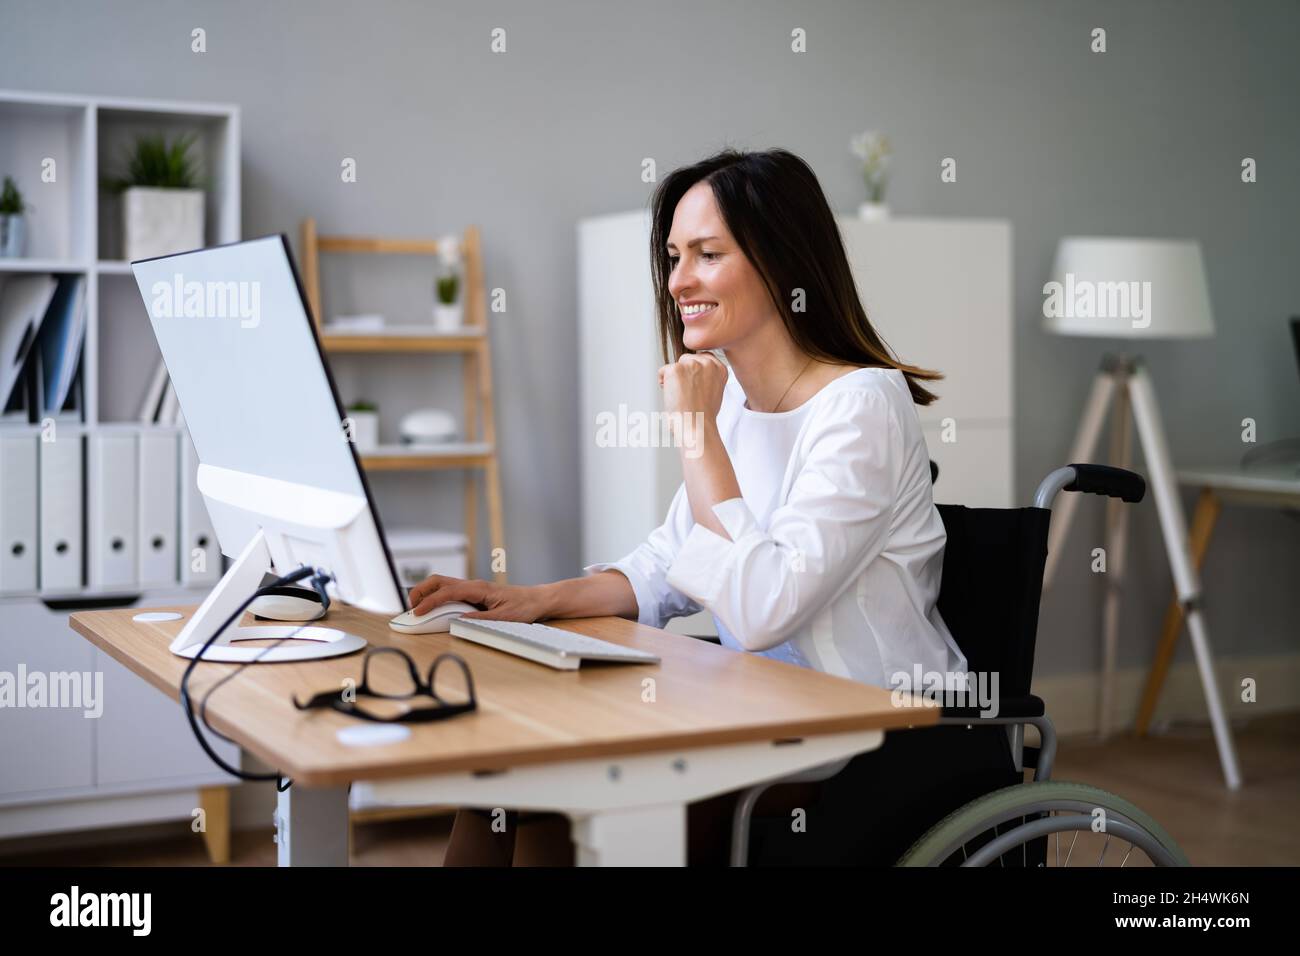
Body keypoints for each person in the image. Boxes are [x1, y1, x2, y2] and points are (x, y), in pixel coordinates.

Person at [418, 147, 979, 867]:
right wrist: (531, 599)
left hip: (871, 741)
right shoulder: (739, 408)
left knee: (601, 795)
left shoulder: (861, 405)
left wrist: (695, 432)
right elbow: (666, 564)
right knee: (502, 785)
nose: (679, 280)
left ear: (782, 265)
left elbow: (761, 606)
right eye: (675, 256)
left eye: (708, 255)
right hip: (762, 713)